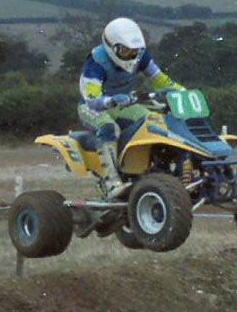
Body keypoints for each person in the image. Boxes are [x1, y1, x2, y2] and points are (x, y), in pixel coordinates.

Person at [78, 17, 184, 199]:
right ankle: (112, 183)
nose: (131, 56)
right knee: (108, 127)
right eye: (125, 51)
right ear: (111, 47)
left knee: (154, 122)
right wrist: (111, 100)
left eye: (134, 51)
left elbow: (160, 79)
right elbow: (92, 99)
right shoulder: (96, 62)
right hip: (93, 107)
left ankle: (156, 172)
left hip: (125, 104)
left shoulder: (141, 56)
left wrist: (182, 92)